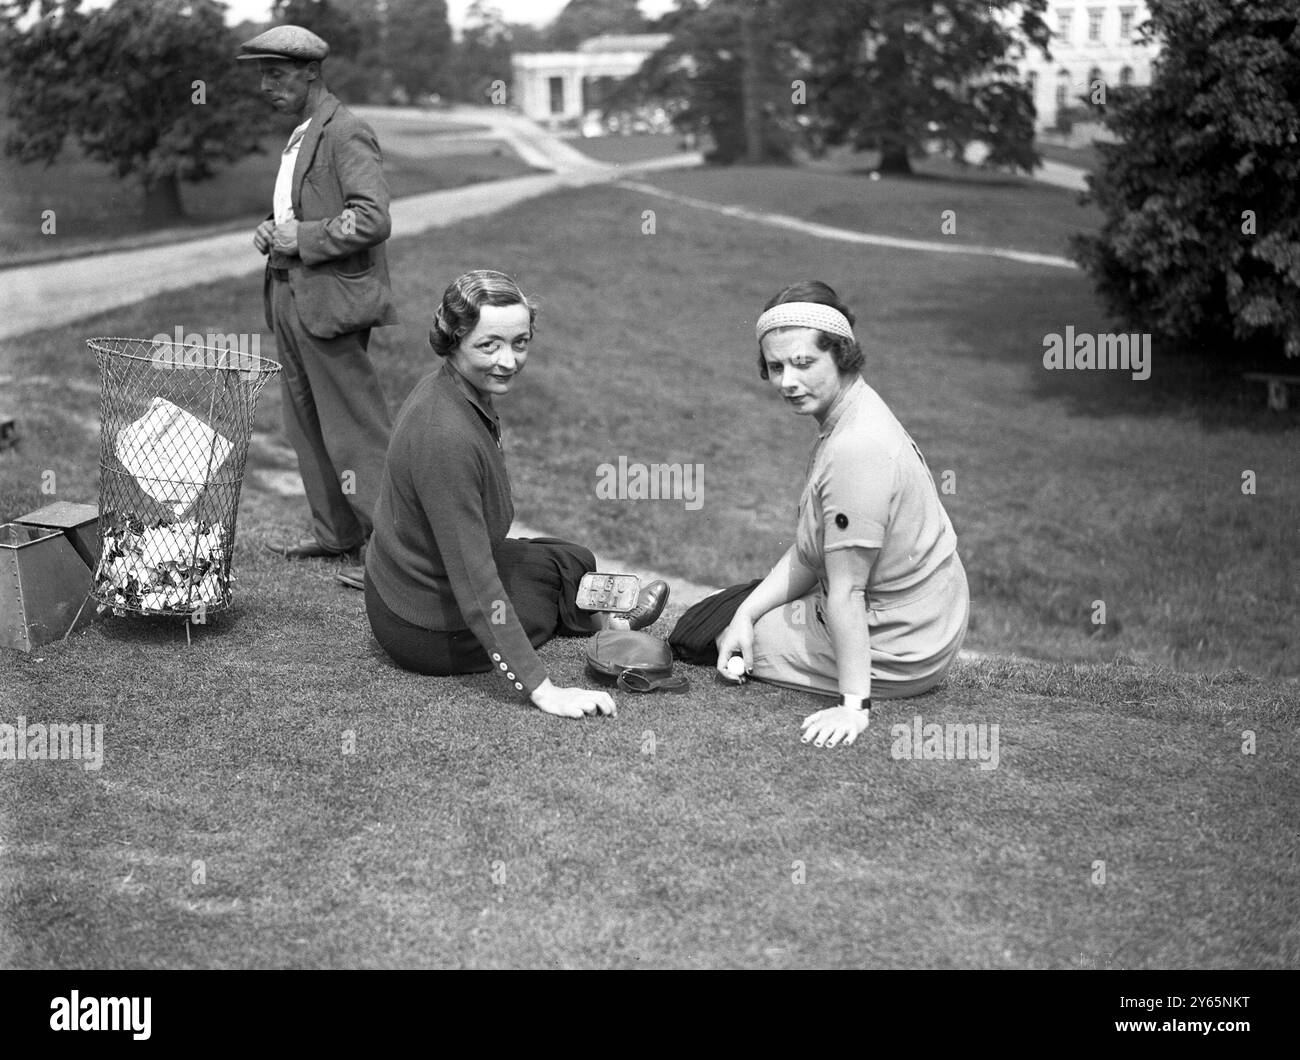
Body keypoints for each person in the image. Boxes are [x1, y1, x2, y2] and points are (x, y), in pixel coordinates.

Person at [669, 281, 970, 749]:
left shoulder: (855, 447)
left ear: (841, 355)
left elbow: (847, 589)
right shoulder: (852, 413)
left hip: (903, 643)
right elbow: (815, 552)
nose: (787, 381)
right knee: (728, 614)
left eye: (804, 363)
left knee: (696, 635)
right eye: (775, 367)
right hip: (920, 616)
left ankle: (845, 679)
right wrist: (749, 612)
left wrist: (854, 709)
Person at [364, 270, 670, 719]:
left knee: (573, 558)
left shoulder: (457, 389)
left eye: (520, 343)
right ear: (453, 338)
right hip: (421, 626)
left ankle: (604, 618)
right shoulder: (442, 435)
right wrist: (544, 690)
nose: (507, 361)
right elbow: (474, 581)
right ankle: (609, 623)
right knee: (542, 601)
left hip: (423, 579)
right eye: (489, 345)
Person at [238, 25, 395, 589]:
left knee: (355, 429)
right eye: (261, 73)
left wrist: (301, 237)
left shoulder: (345, 131)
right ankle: (337, 535)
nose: (265, 85)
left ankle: (394, 556)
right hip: (288, 292)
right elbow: (304, 207)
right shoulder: (304, 132)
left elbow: (372, 218)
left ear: (311, 72)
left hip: (329, 299)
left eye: (276, 74)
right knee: (303, 424)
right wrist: (275, 230)